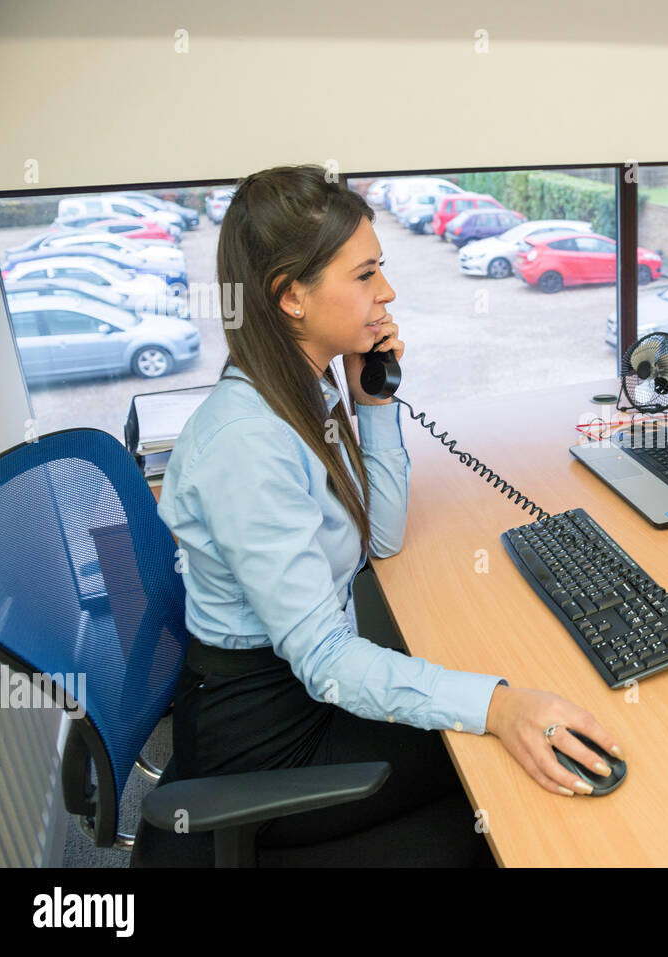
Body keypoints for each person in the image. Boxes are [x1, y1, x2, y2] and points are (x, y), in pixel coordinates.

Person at [157, 165, 622, 864]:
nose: (388, 292)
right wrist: (499, 706)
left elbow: (381, 535)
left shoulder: (299, 393)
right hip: (268, 739)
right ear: (291, 296)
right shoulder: (247, 443)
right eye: (365, 274)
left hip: (303, 686)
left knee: (498, 722)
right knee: (502, 792)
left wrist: (371, 401)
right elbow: (325, 661)